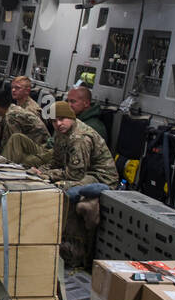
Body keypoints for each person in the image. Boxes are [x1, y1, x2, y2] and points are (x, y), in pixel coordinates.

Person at [31, 101, 118, 265]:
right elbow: (56, 162)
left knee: (62, 190)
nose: (58, 124)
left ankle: (72, 249)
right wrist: (41, 171)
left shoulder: (79, 138)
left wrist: (48, 176)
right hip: (81, 172)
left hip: (100, 176)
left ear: (71, 118)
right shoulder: (62, 133)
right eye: (54, 121)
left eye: (62, 119)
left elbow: (75, 174)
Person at [0, 86, 51, 167]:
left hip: (40, 150)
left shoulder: (11, 116)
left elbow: (10, 147)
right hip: (31, 147)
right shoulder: (6, 112)